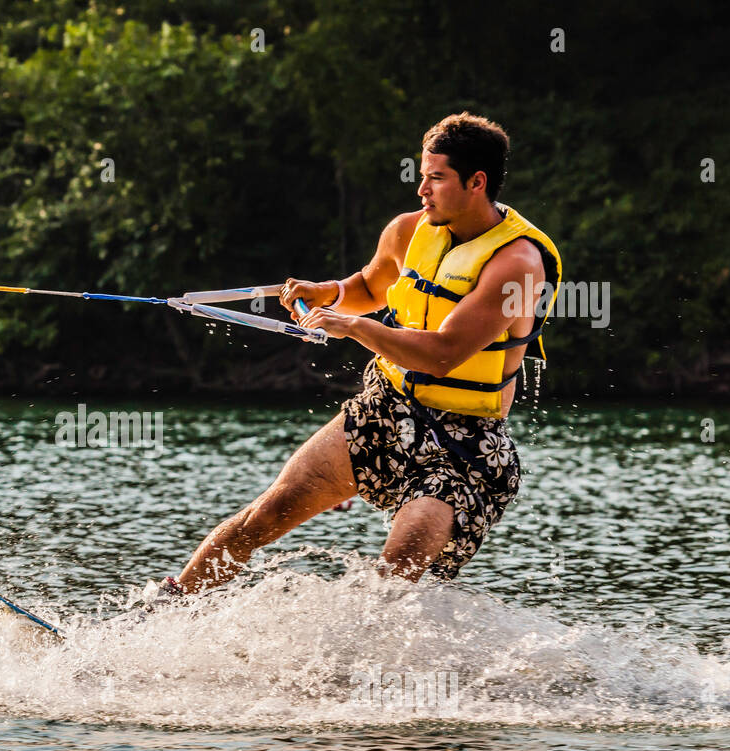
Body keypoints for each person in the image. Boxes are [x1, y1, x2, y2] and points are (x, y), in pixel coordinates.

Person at [161, 112, 562, 596]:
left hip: (465, 448)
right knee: (263, 516)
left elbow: (443, 354)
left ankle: (370, 666)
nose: (422, 190)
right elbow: (371, 285)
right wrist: (327, 292)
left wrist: (351, 326)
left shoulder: (518, 264)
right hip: (384, 409)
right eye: (422, 176)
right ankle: (169, 607)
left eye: (436, 178)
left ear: (477, 182)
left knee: (398, 573)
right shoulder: (407, 230)